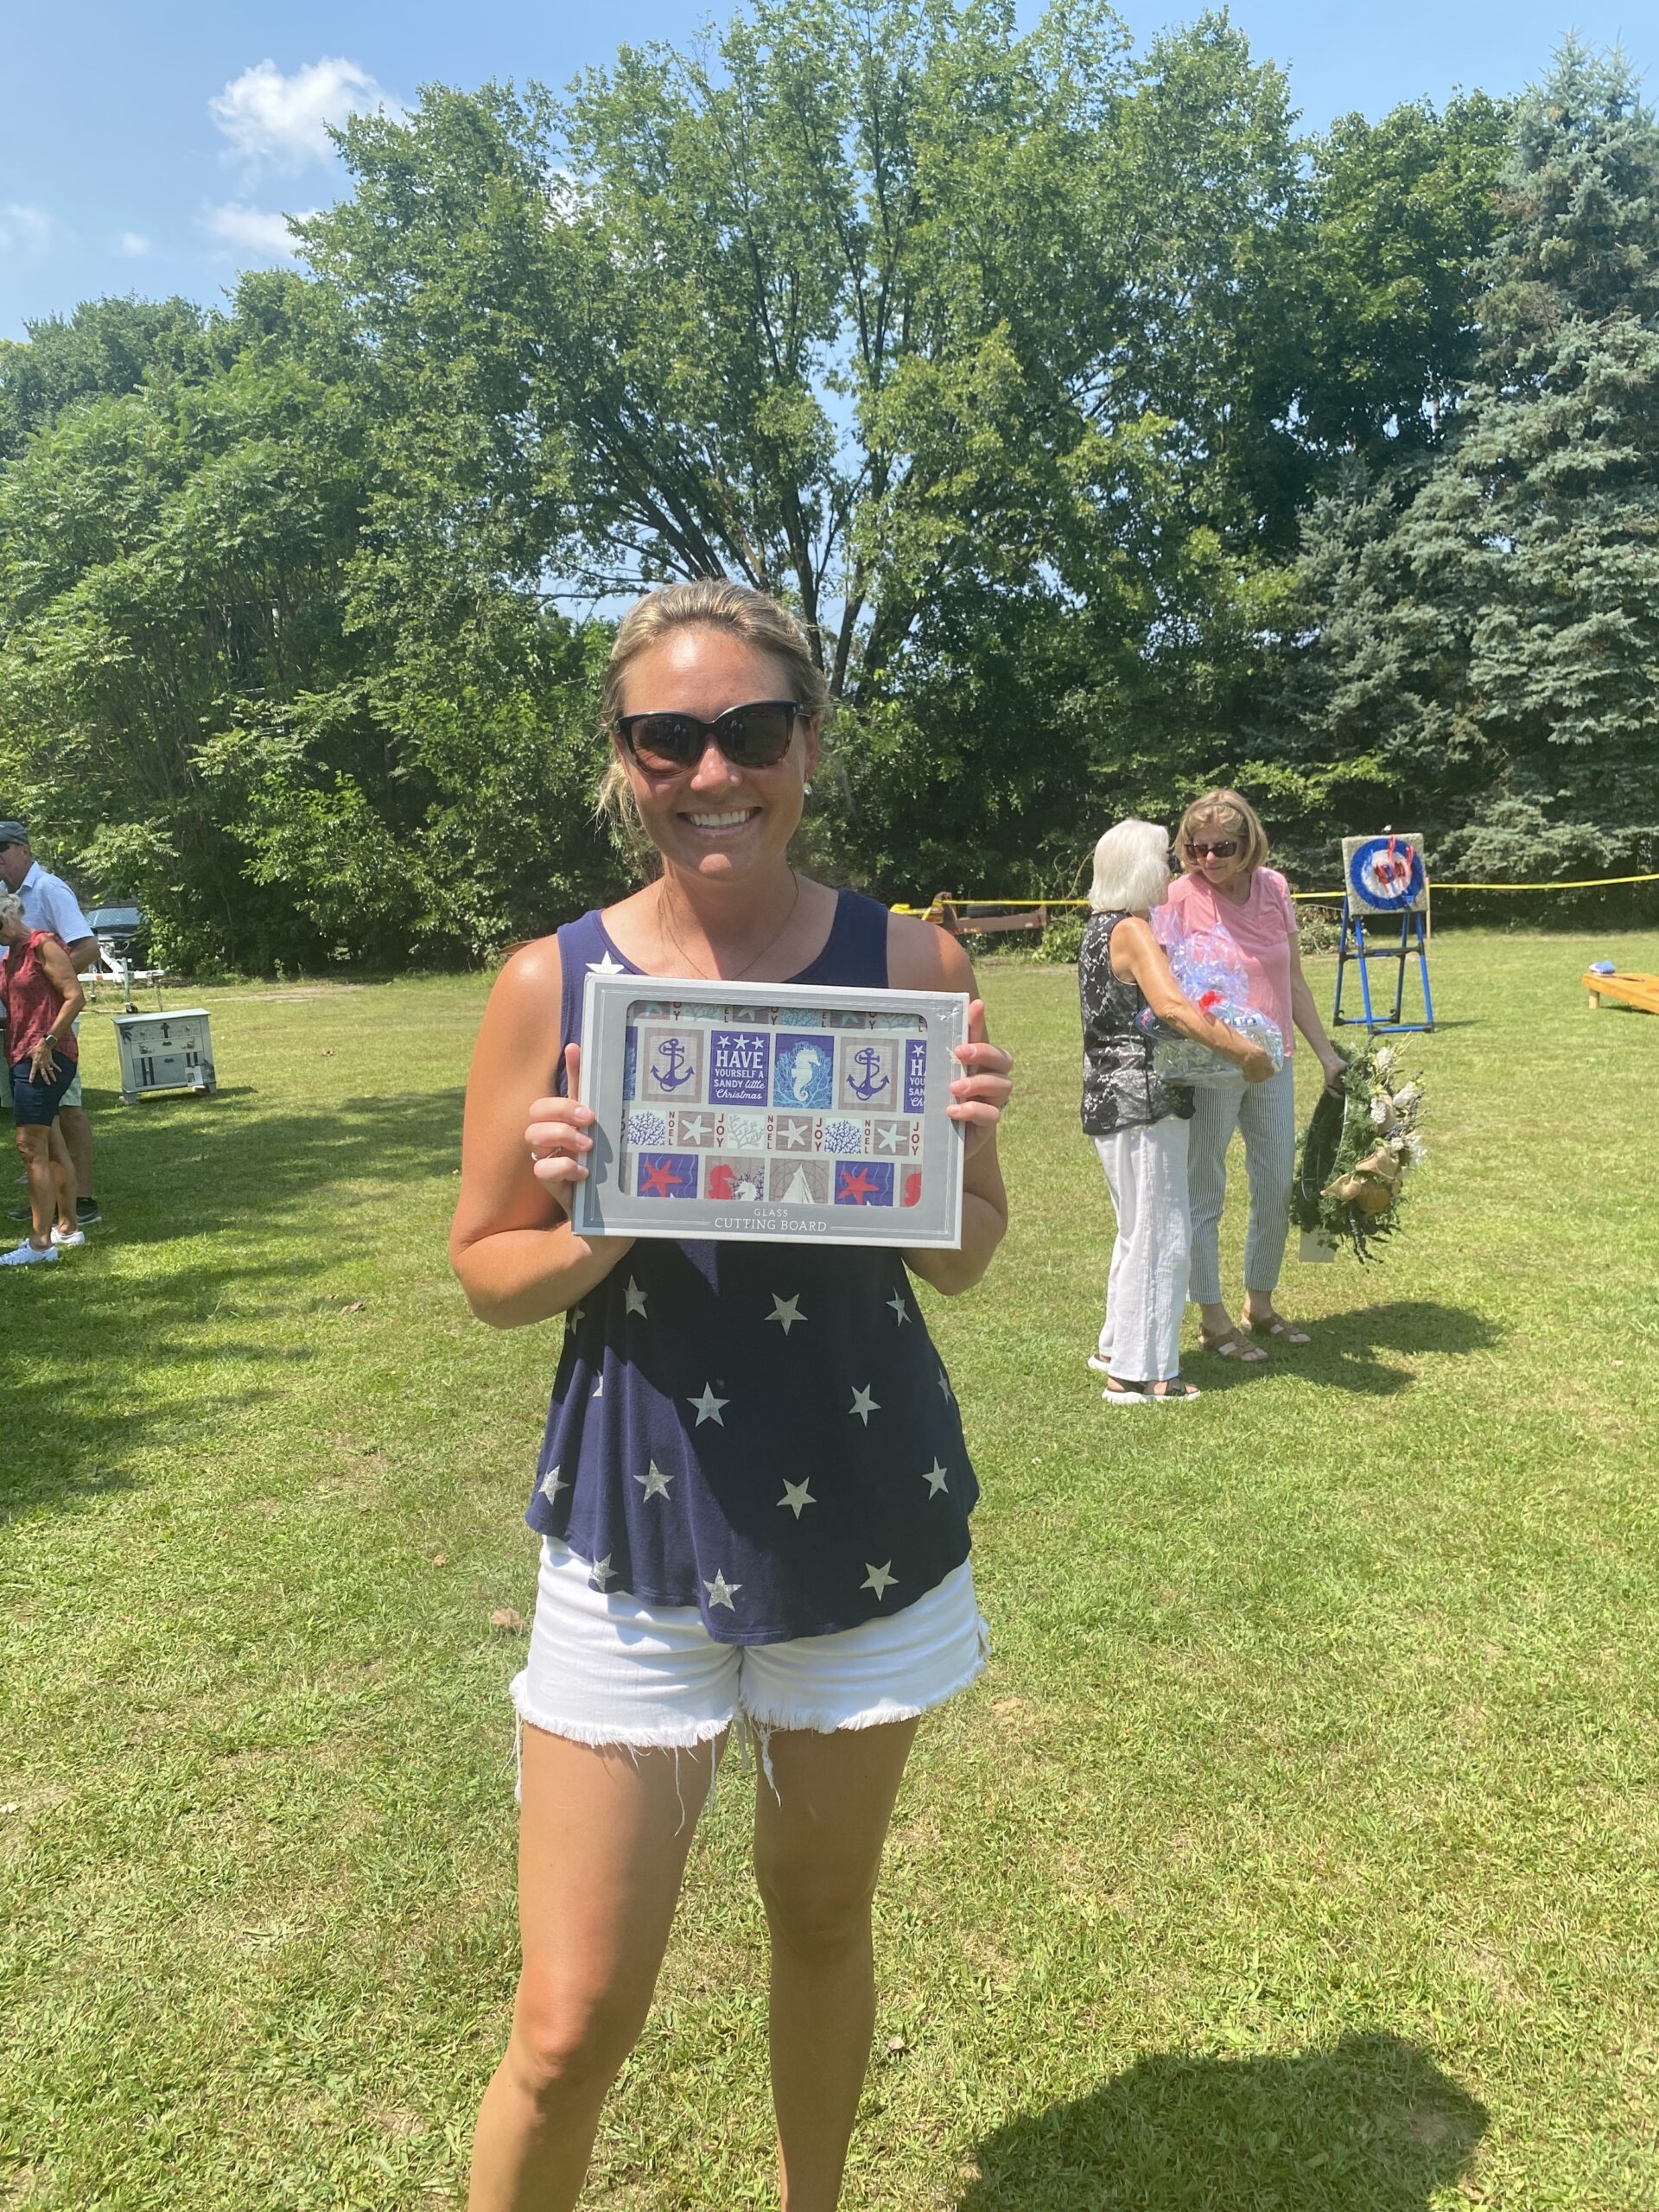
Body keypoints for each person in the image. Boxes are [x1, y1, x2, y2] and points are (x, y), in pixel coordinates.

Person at [448, 580, 1013, 2211]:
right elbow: (485, 1266)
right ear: (625, 761)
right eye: (669, 738)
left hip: (862, 1522)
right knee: (567, 2023)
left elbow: (969, 1255)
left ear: (808, 748)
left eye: (750, 732)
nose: (714, 774)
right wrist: (591, 1228)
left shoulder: (912, 959)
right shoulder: (547, 988)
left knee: (824, 1919)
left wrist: (964, 1136)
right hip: (632, 1534)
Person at [1079, 819, 1275, 1405]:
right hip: (1146, 1100)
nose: (1172, 868)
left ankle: (1116, 1346)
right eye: (1165, 859)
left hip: (1107, 1098)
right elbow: (1173, 1008)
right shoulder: (1135, 929)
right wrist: (1245, 1054)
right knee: (1162, 1234)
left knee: (1135, 1229)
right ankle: (1141, 1375)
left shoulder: (1096, 928)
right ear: (1140, 868)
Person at [1163, 790, 1345, 1361]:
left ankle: (1259, 1304)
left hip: (1275, 1062)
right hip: (1212, 1064)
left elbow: (1293, 982)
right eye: (1197, 848)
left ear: (1249, 847)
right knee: (1205, 1192)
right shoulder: (1177, 897)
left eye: (1223, 848)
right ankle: (1212, 1318)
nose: (1209, 860)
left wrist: (1326, 1054)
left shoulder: (1276, 889)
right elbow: (1165, 990)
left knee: (1274, 1188)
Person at [0, 822, 100, 1226]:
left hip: (52, 1024)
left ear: (24, 850)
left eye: (3, 849)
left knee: (68, 1106)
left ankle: (83, 1198)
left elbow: (87, 947)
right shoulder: (5, 897)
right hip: (17, 1024)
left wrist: (48, 993)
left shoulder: (48, 890)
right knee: (35, 1114)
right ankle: (47, 1199)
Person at [0, 892, 85, 1266]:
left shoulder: (43, 945)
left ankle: (39, 1245)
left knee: (29, 1146)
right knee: (50, 1143)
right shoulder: (11, 956)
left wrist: (47, 1042)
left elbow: (74, 996)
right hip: (23, 1055)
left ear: (8, 914)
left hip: (45, 1057)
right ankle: (67, 1229)